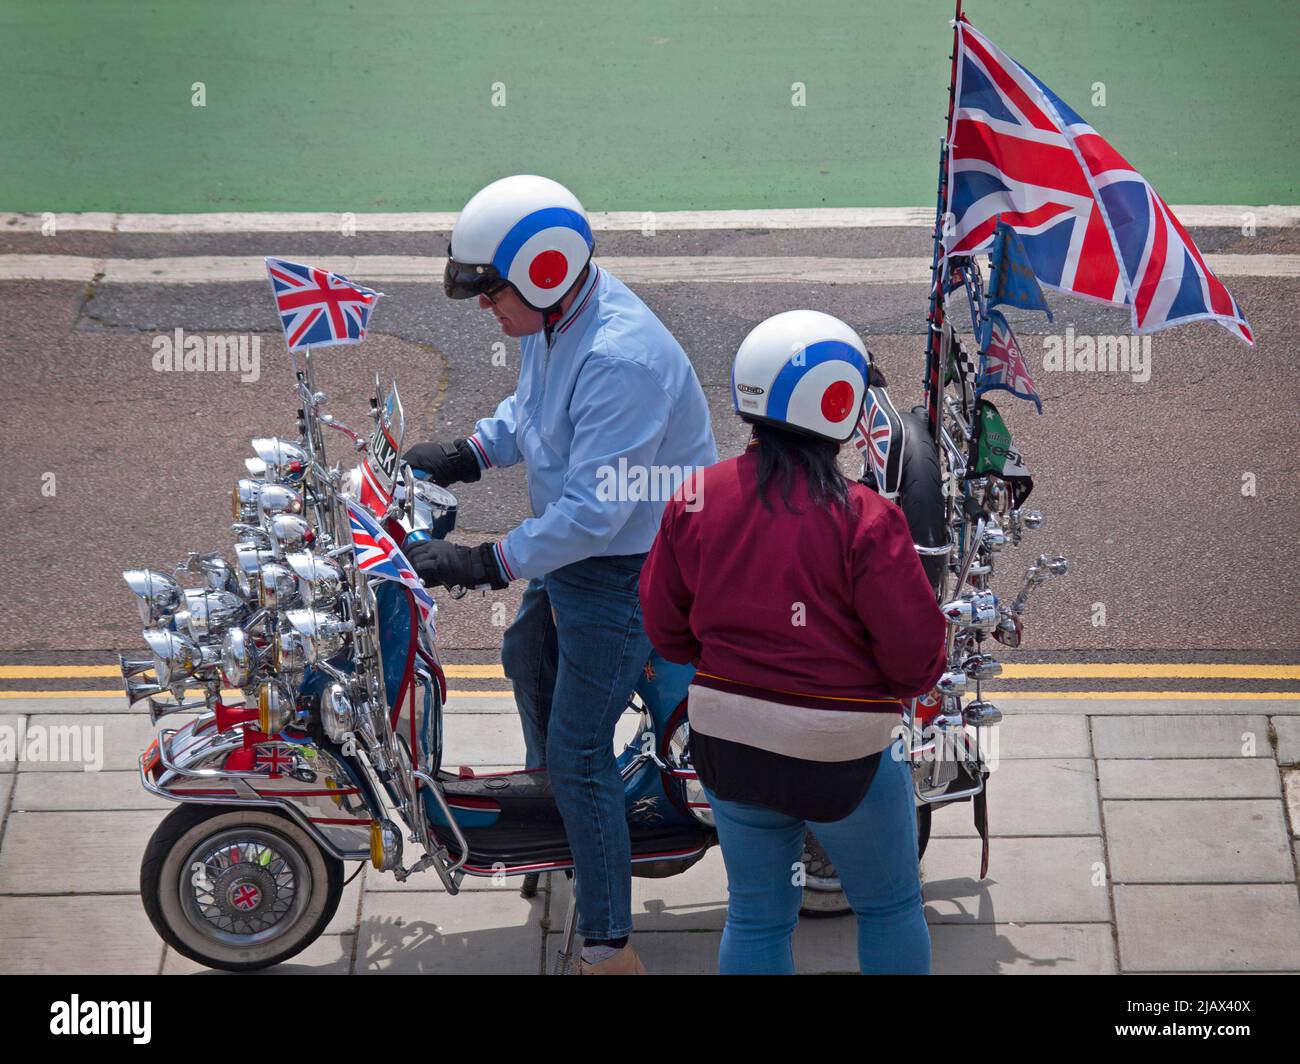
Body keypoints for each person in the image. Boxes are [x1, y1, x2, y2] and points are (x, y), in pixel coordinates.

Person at [404, 174, 717, 975]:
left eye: (489, 291)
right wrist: (469, 450)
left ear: (544, 272)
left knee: (581, 752)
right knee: (524, 656)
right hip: (588, 559)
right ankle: (570, 826)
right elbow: (534, 414)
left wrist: (481, 561)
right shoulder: (559, 319)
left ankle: (610, 945)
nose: (483, 307)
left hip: (626, 571)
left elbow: (591, 515)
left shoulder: (620, 357)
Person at [637, 309, 948, 975]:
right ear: (839, 403)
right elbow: (917, 664)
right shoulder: (868, 519)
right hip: (844, 758)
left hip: (728, 744)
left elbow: (665, 628)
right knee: (890, 906)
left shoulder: (695, 497)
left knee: (755, 915)